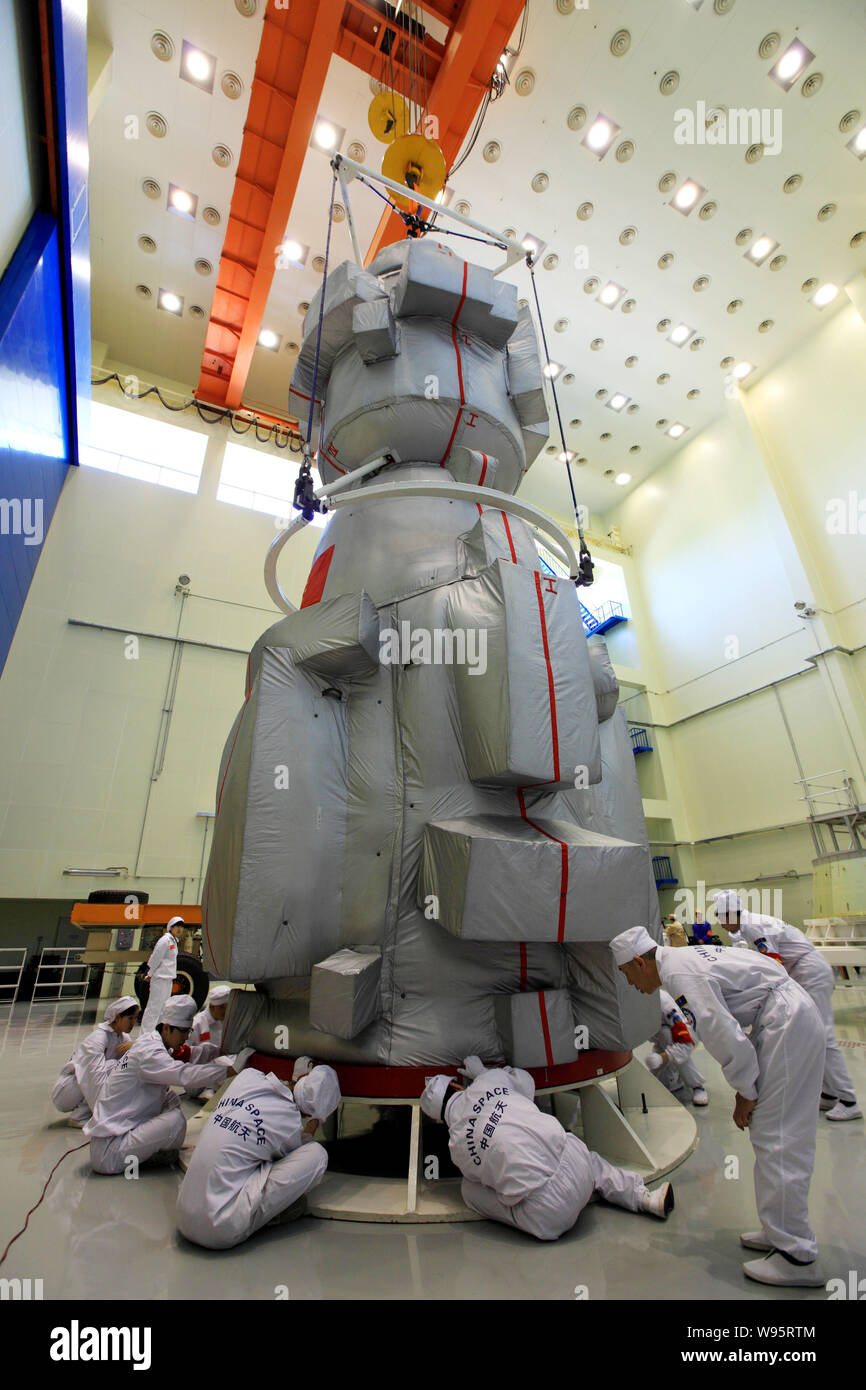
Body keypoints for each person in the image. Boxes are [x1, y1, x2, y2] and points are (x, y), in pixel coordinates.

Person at [611, 924, 826, 1287]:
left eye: (626, 973)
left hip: (786, 1023)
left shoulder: (678, 972)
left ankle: (798, 1258)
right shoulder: (681, 959)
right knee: (769, 1136)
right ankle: (779, 1233)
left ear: (638, 962)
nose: (629, 983)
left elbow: (721, 1032)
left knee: (780, 1138)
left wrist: (745, 1091)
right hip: (783, 1017)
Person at [420, 1056, 673, 1242]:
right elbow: (526, 1082)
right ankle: (644, 1198)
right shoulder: (486, 1083)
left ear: (440, 1118)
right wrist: (485, 1074)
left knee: (469, 1189)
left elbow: (487, 1180)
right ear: (456, 1086)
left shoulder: (456, 1148)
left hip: (549, 1217)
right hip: (579, 1170)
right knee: (588, 1158)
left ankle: (528, 1199)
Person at [713, 890, 861, 1123]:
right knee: (812, 1034)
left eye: (721, 918)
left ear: (730, 914)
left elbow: (774, 965)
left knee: (823, 1036)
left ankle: (849, 1100)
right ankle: (830, 1093)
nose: (721, 925)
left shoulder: (753, 927)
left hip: (809, 972)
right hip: (803, 971)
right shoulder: (752, 924)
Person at [176, 1063, 340, 1249]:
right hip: (220, 1230)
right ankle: (270, 1215)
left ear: (301, 1077)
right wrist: (314, 1123)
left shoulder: (247, 1077)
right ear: (308, 1114)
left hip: (183, 1215)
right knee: (317, 1155)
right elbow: (295, 1155)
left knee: (248, 1152)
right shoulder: (289, 1123)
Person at [84, 995, 234, 1175]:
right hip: (109, 1153)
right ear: (167, 1028)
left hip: (120, 1132)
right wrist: (228, 1072)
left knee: (169, 1099)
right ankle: (151, 1154)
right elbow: (183, 1075)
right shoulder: (150, 1054)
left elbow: (191, 1054)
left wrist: (221, 1050)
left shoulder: (156, 1042)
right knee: (176, 1122)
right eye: (184, 1032)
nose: (186, 1037)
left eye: (189, 1031)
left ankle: (151, 1149)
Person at [51, 996, 139, 1125]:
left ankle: (87, 1112)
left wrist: (135, 1045)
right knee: (113, 1065)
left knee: (122, 1066)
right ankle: (79, 1116)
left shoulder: (123, 1038)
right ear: (118, 1017)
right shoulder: (98, 1039)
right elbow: (95, 1079)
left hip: (82, 1088)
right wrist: (105, 1116)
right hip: (66, 1092)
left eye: (135, 1018)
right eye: (130, 1018)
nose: (133, 1023)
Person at [647, 989, 708, 1106]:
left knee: (667, 1037)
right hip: (661, 1034)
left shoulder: (665, 1005)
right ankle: (675, 1078)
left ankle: (697, 1086)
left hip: (685, 1035)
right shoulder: (638, 1000)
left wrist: (662, 1057)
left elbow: (685, 1044)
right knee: (659, 1080)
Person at [140, 916, 185, 1032]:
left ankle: (156, 1034)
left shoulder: (174, 941)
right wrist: (150, 973)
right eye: (177, 926)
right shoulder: (165, 940)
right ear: (171, 927)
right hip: (159, 979)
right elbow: (156, 958)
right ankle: (144, 1035)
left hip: (168, 979)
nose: (179, 929)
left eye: (181, 927)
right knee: (153, 1008)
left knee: (163, 1009)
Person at [188, 985, 231, 1054]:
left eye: (228, 1007)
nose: (225, 1011)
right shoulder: (196, 1025)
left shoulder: (228, 1022)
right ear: (212, 1007)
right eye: (222, 1007)